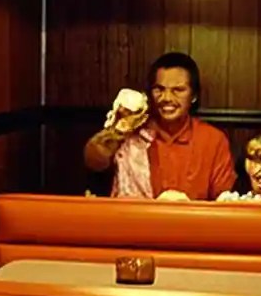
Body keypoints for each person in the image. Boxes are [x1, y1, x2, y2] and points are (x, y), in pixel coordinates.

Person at [84, 52, 236, 201]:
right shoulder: (134, 130)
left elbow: (224, 200)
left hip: (194, 224)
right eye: (159, 89)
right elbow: (93, 162)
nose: (166, 98)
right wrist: (117, 130)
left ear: (194, 96)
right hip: (136, 222)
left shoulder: (213, 139)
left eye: (178, 90)